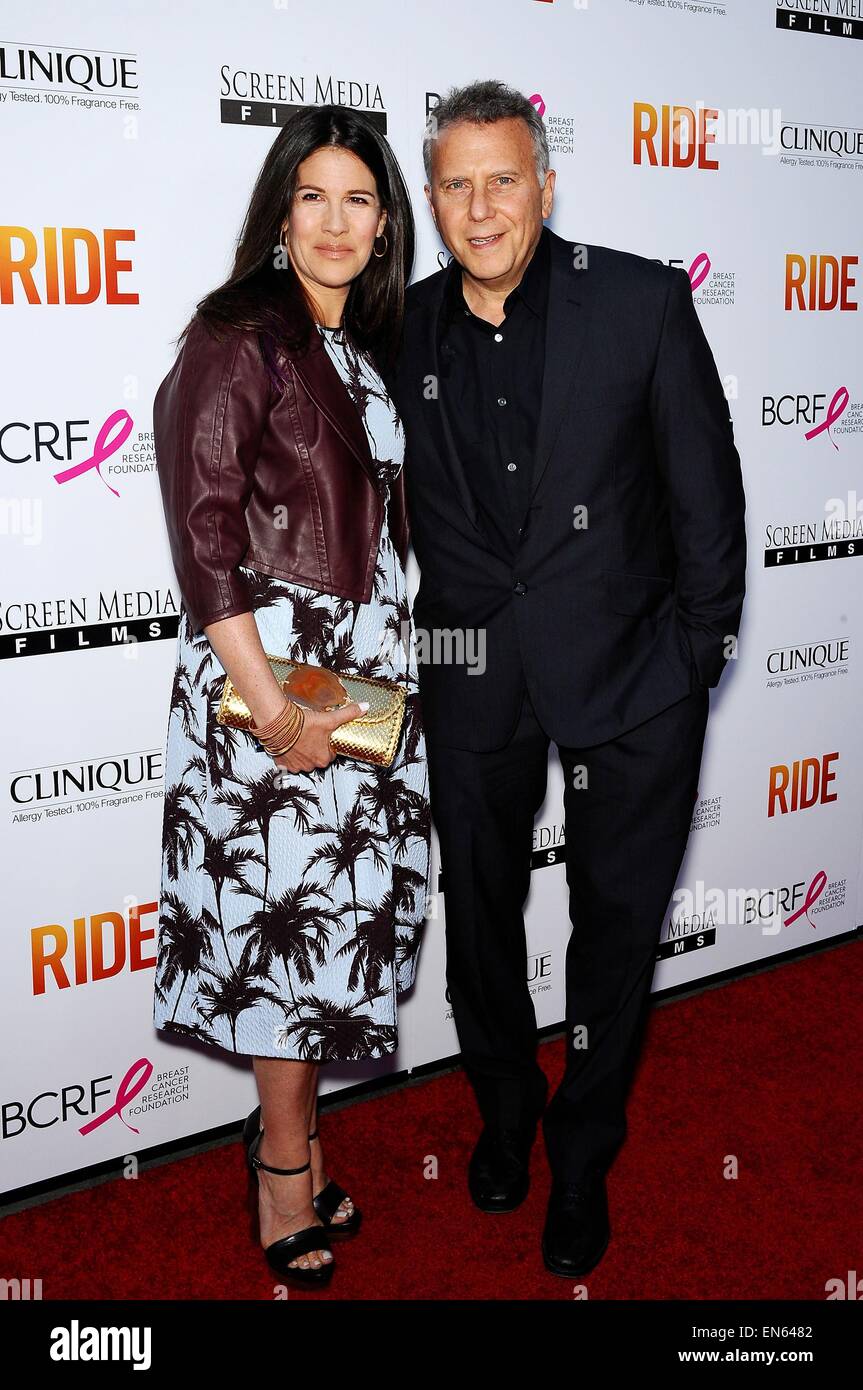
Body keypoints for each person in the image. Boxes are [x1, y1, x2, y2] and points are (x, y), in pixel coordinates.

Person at [391, 80, 746, 1277]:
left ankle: (582, 1155)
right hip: (472, 677)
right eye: (456, 183)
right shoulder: (401, 325)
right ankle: (502, 1116)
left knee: (610, 942)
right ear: (428, 198)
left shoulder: (639, 300)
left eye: (504, 178)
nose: (481, 206)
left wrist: (694, 653)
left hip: (633, 680)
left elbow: (705, 488)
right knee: (481, 926)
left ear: (546, 182)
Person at [151, 105, 430, 1287]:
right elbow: (204, 535)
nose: (333, 220)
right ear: (278, 213)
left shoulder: (353, 347)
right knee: (279, 935)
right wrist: (269, 706)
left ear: (382, 224)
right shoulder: (238, 335)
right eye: (311, 196)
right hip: (271, 677)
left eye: (357, 199)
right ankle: (279, 1173)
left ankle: (300, 1141)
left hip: (353, 679)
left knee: (323, 938)